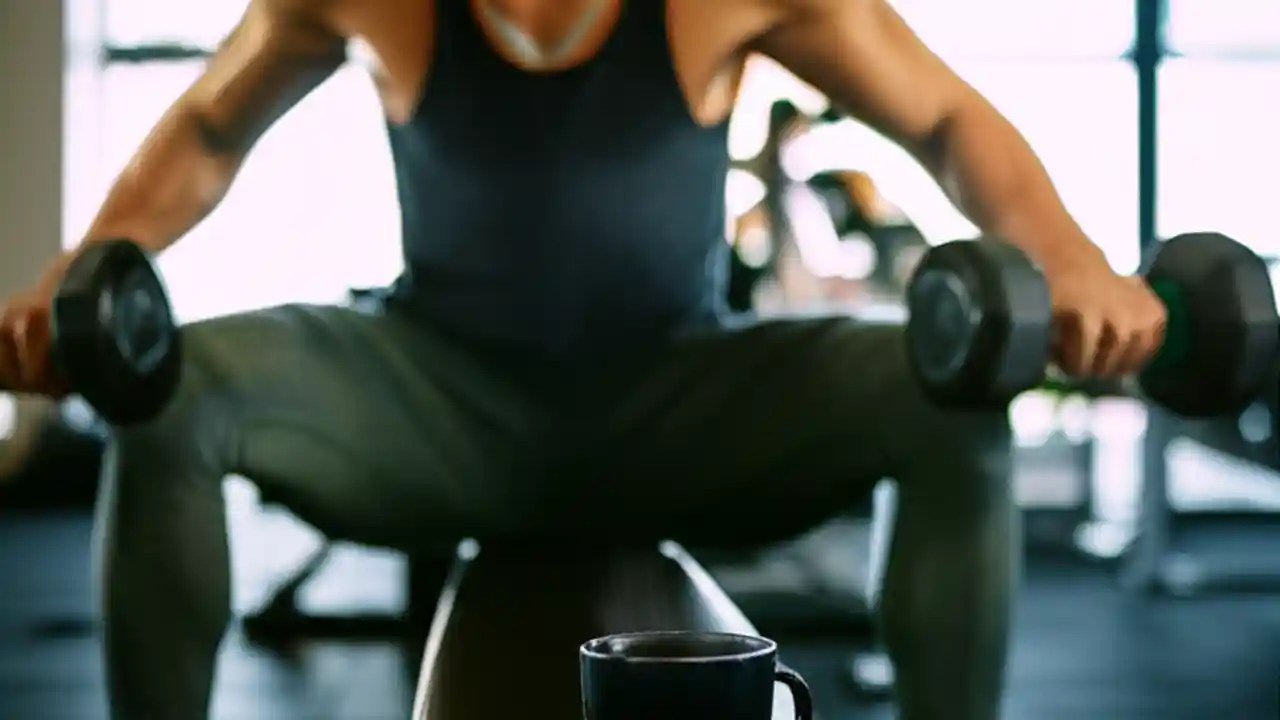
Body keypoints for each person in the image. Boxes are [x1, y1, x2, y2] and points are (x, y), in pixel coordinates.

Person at [0, 1, 1167, 718]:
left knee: (946, 400)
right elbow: (208, 124)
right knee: (171, 390)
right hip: (437, 412)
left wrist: (1065, 258)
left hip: (679, 405)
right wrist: (75, 284)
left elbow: (944, 118)